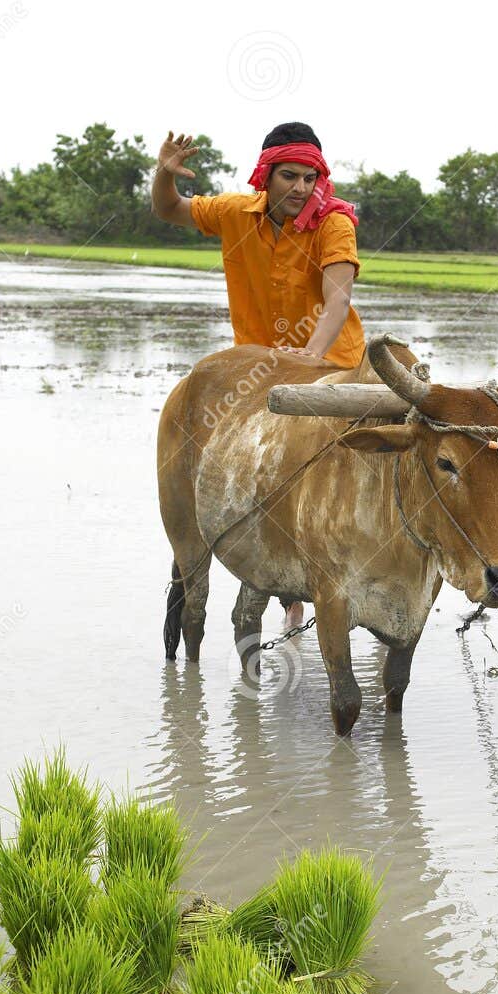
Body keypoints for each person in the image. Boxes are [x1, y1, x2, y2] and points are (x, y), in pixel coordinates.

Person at [151, 119, 364, 631]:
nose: (301, 188)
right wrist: (164, 173)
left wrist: (306, 365)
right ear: (264, 176)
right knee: (256, 479)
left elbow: (337, 304)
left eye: (310, 178)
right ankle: (276, 582)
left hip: (332, 368)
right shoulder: (232, 213)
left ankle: (323, 586)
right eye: (289, 176)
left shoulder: (333, 223)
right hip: (255, 373)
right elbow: (168, 208)